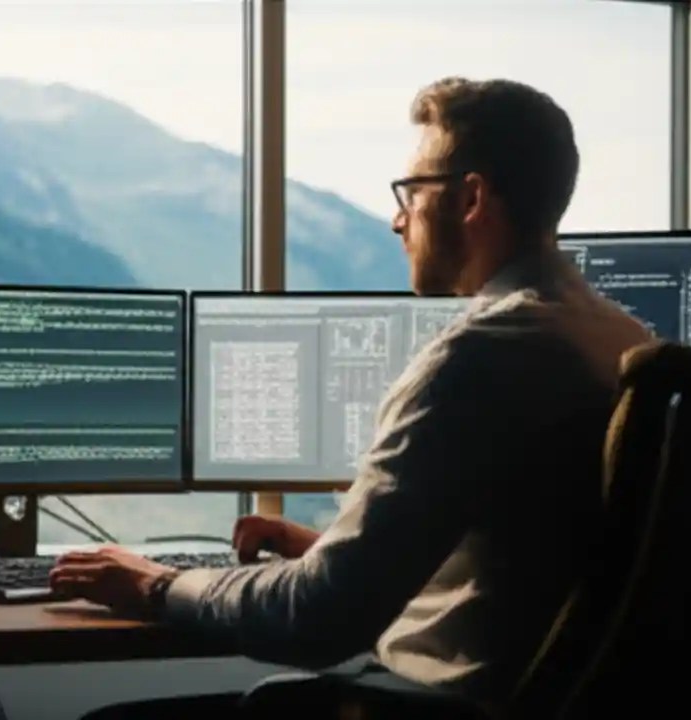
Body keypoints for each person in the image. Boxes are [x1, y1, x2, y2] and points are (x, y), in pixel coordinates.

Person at [51, 76, 654, 716]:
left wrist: (158, 585)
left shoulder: (478, 356)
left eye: (411, 193)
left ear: (471, 198)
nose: (398, 220)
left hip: (429, 703)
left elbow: (318, 622)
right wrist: (329, 550)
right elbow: (524, 561)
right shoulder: (623, 339)